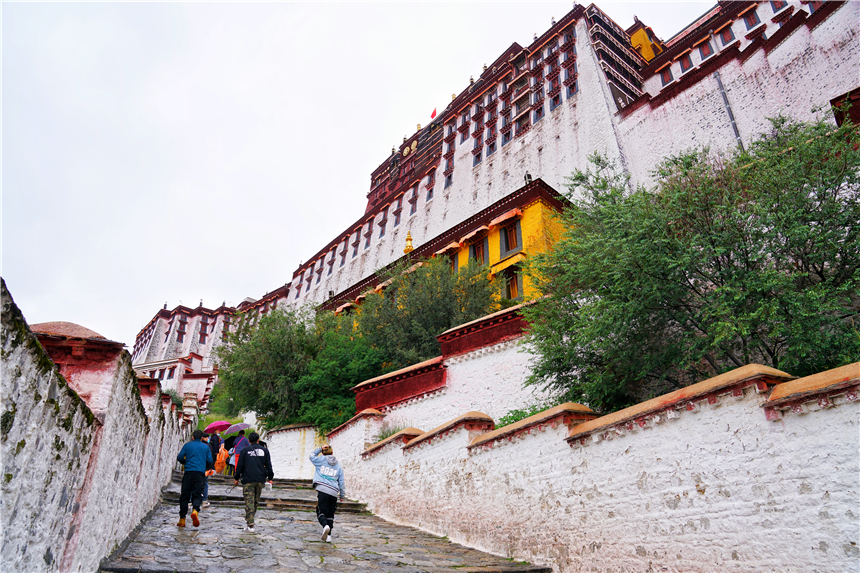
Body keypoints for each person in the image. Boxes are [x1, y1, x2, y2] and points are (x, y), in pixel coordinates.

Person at [233, 432, 273, 532]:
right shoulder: (265, 451)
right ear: (258, 440)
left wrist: (236, 478)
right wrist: (270, 477)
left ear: (249, 441)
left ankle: (250, 524)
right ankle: (250, 521)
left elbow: (240, 466)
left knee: (249, 501)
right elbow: (269, 465)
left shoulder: (245, 450)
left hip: (248, 479)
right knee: (255, 501)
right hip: (260, 479)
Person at [176, 429, 213, 527]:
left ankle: (182, 519)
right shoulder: (205, 447)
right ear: (201, 438)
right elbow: (209, 460)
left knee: (185, 496)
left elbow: (179, 457)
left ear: (192, 437)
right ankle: (195, 510)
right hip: (200, 473)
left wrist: (186, 462)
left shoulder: (187, 446)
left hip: (188, 472)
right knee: (197, 494)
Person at [309, 444, 345, 543]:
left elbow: (311, 456)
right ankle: (329, 536)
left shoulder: (321, 460)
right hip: (333, 492)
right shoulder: (338, 466)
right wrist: (342, 495)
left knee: (320, 511)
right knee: (330, 514)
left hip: (323, 490)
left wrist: (320, 448)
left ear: (323, 453)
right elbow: (341, 481)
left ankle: (325, 526)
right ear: (333, 453)